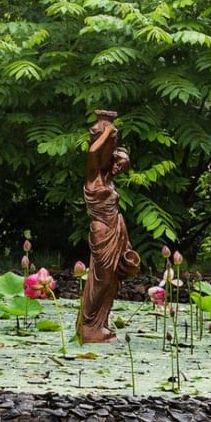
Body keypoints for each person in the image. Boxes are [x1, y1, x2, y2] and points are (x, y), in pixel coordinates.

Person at [77, 109, 141, 342]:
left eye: (123, 167)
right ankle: (88, 323)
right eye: (118, 163)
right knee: (102, 279)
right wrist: (107, 132)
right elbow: (93, 151)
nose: (119, 168)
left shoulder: (108, 180)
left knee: (113, 281)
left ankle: (99, 324)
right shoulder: (93, 175)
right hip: (101, 231)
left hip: (116, 229)